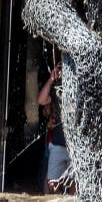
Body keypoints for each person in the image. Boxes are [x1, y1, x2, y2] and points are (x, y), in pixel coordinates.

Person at [38, 62, 71, 194]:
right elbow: (41, 100)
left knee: (74, 184)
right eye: (60, 68)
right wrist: (51, 79)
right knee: (52, 183)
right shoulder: (57, 90)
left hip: (75, 147)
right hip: (58, 143)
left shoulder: (80, 86)